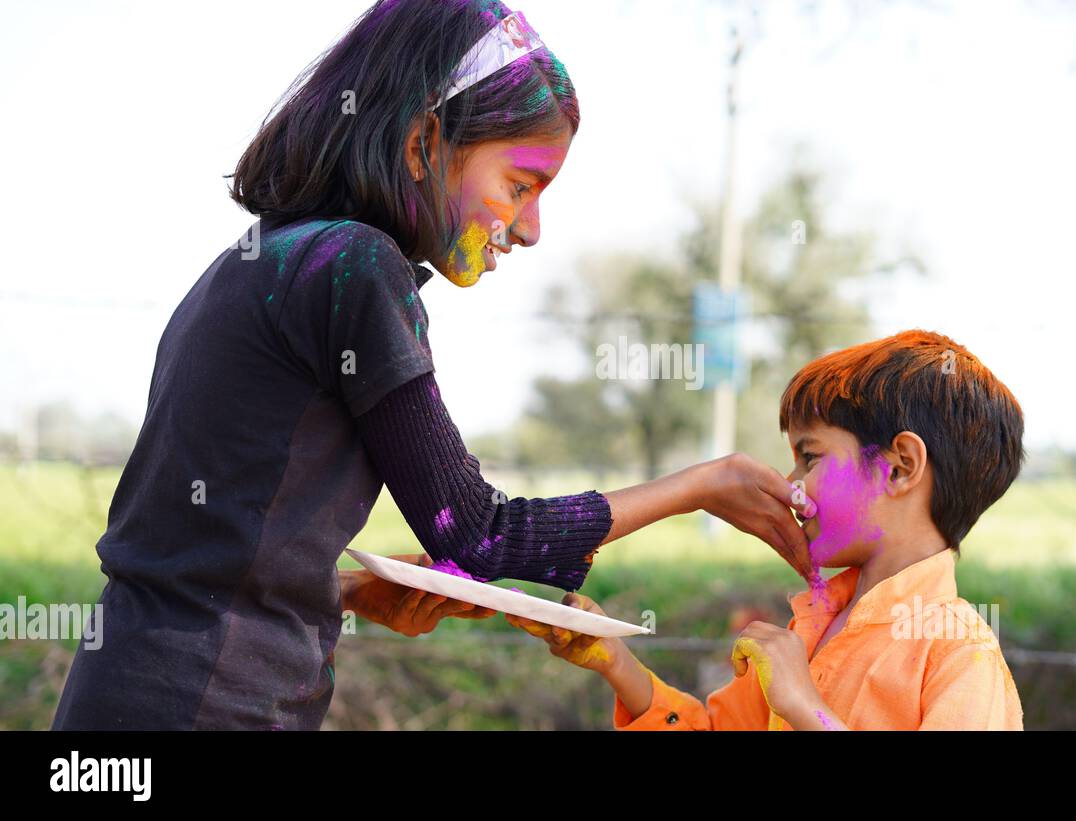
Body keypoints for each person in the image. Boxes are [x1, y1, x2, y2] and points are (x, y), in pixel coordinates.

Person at [51, 0, 811, 731]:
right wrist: (698, 487)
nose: (533, 227)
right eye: (520, 186)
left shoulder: (251, 264)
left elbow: (196, 547)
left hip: (129, 685)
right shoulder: (356, 266)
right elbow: (476, 533)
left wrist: (344, 591)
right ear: (423, 143)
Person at [509, 330, 1027, 730]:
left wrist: (806, 709)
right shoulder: (809, 629)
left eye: (810, 457)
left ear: (900, 466)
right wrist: (615, 662)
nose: (791, 485)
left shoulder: (960, 654)